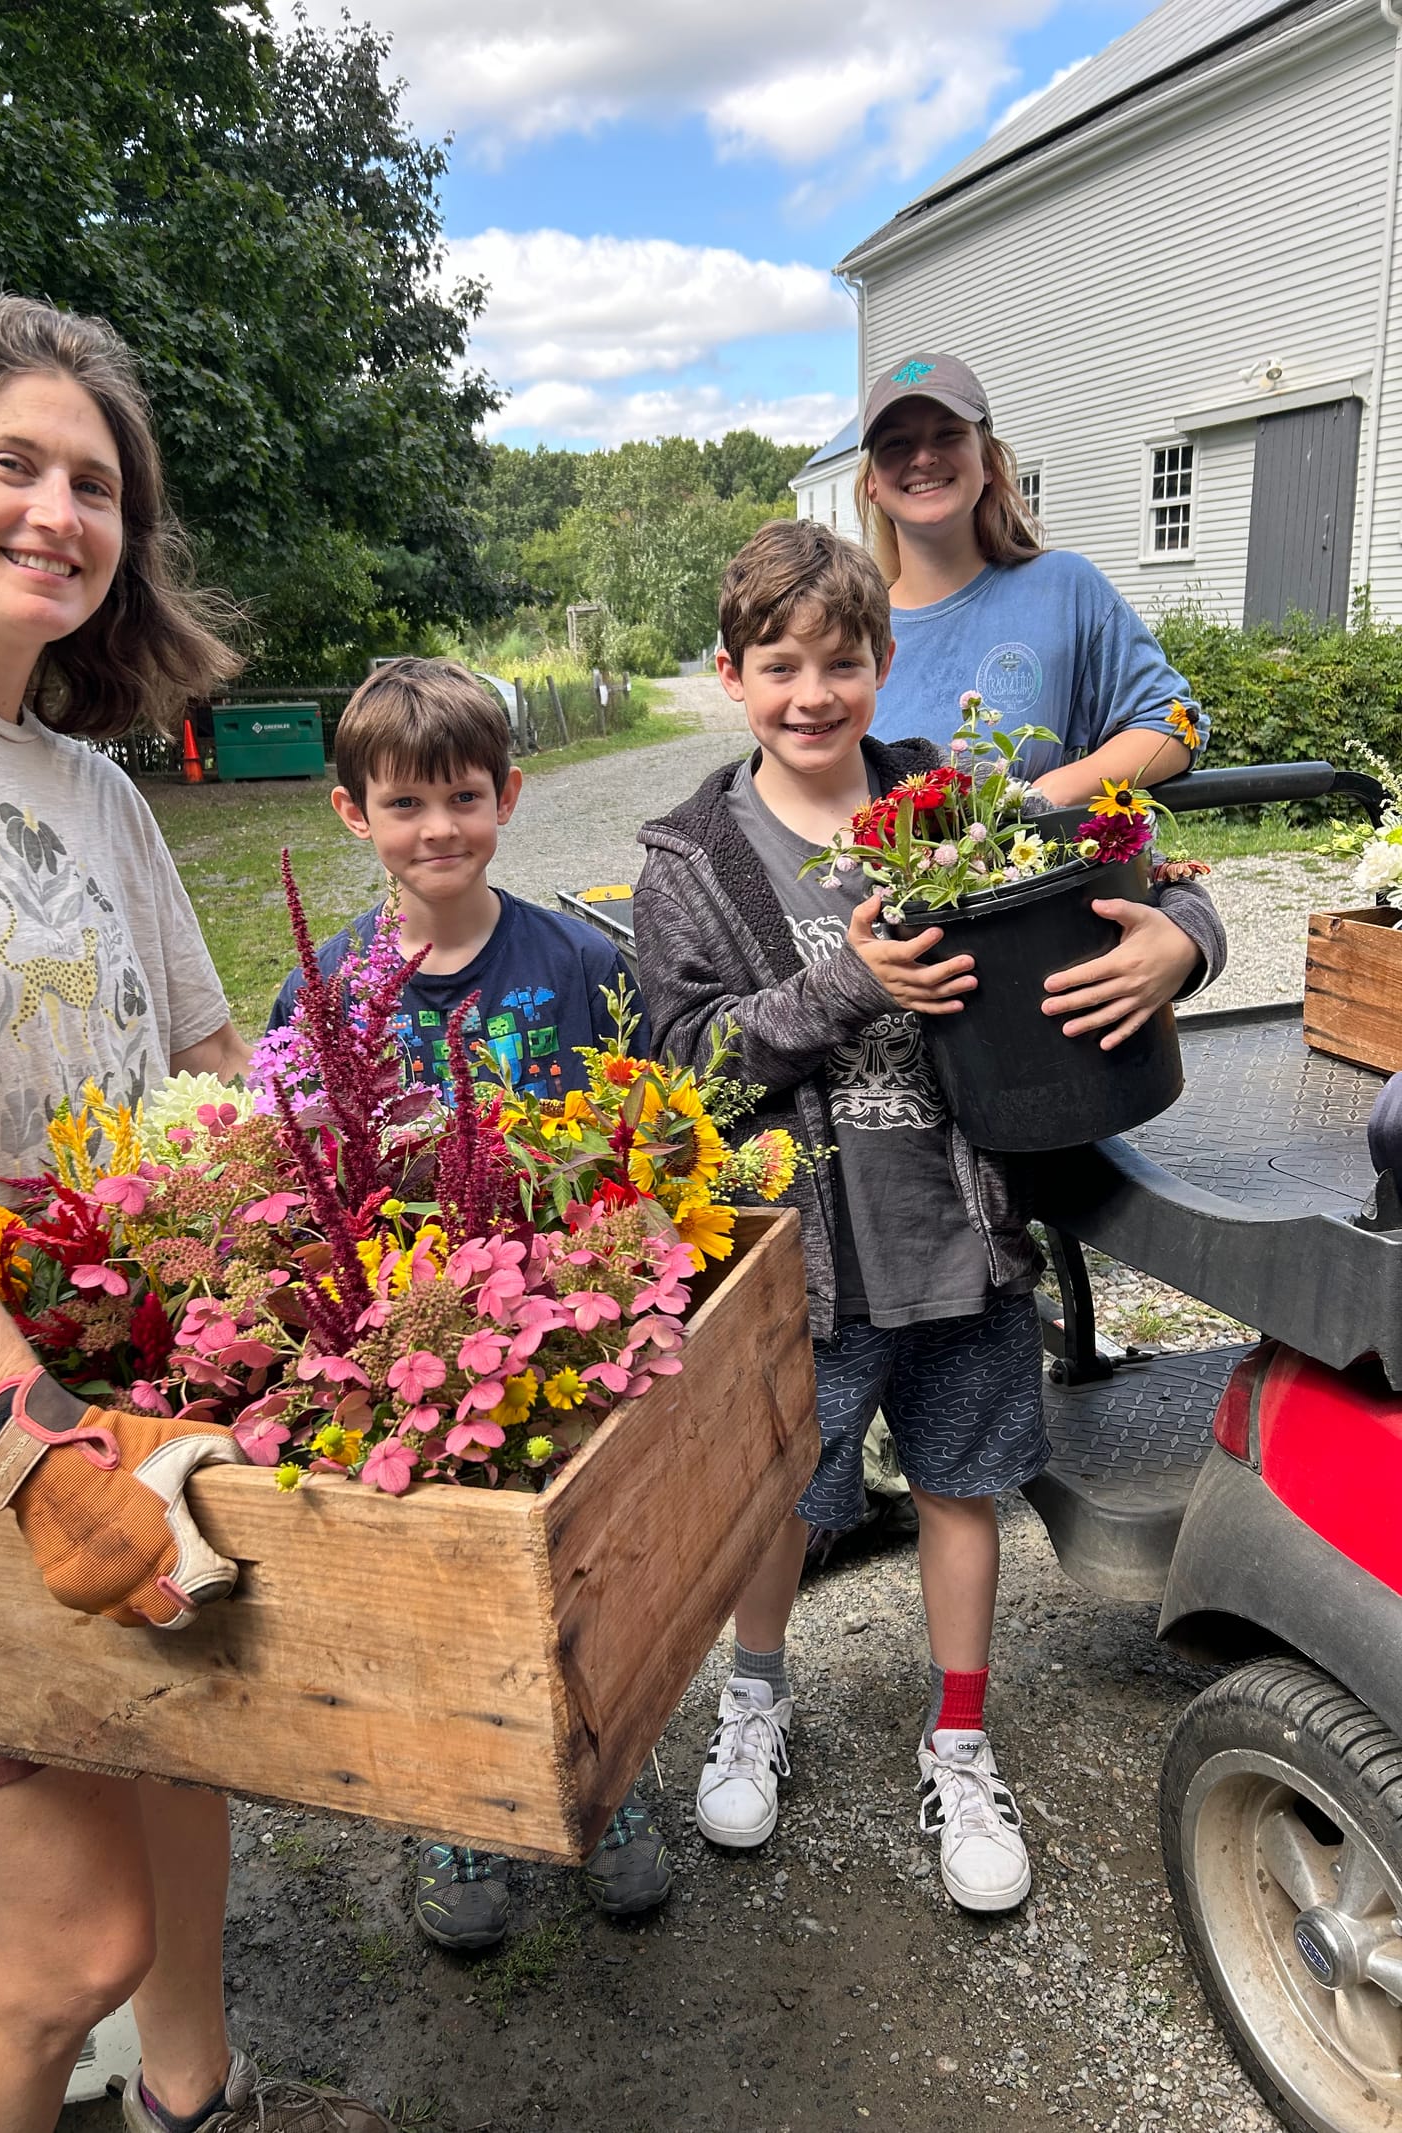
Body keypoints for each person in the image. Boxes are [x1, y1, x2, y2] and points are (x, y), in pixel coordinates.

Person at [0, 297, 390, 2133]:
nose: (62, 509)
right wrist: (17, 1423)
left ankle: (193, 2100)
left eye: (97, 484)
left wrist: (387, 1234)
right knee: (69, 1944)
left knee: (188, 1765)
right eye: (16, 466)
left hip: (128, 1409)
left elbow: (214, 1067)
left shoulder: (99, 790)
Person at [632, 518, 1224, 1912]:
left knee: (964, 1491)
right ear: (734, 675)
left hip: (965, 1234)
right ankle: (755, 1702)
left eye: (842, 661)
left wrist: (1187, 940)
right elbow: (684, 1070)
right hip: (802, 1264)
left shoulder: (958, 802)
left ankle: (959, 1739)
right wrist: (853, 981)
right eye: (779, 665)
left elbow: (1153, 866)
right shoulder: (691, 859)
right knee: (785, 1500)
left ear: (885, 665)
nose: (812, 693)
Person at [268, 656, 673, 1948]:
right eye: (404, 805)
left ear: (509, 795)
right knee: (436, 1584)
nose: (436, 829)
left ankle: (609, 1776)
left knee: (596, 1571)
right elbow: (294, 1169)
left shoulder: (577, 963)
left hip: (569, 1333)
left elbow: (650, 1133)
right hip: (402, 1347)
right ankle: (454, 1800)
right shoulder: (321, 993)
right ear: (353, 815)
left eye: (462, 797)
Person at [857, 351, 1207, 805]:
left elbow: (1173, 724)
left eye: (948, 434)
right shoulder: (856, 628)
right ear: (873, 485)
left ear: (987, 464)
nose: (924, 457)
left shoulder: (1063, 589)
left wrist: (1038, 799)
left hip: (1042, 874)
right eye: (897, 444)